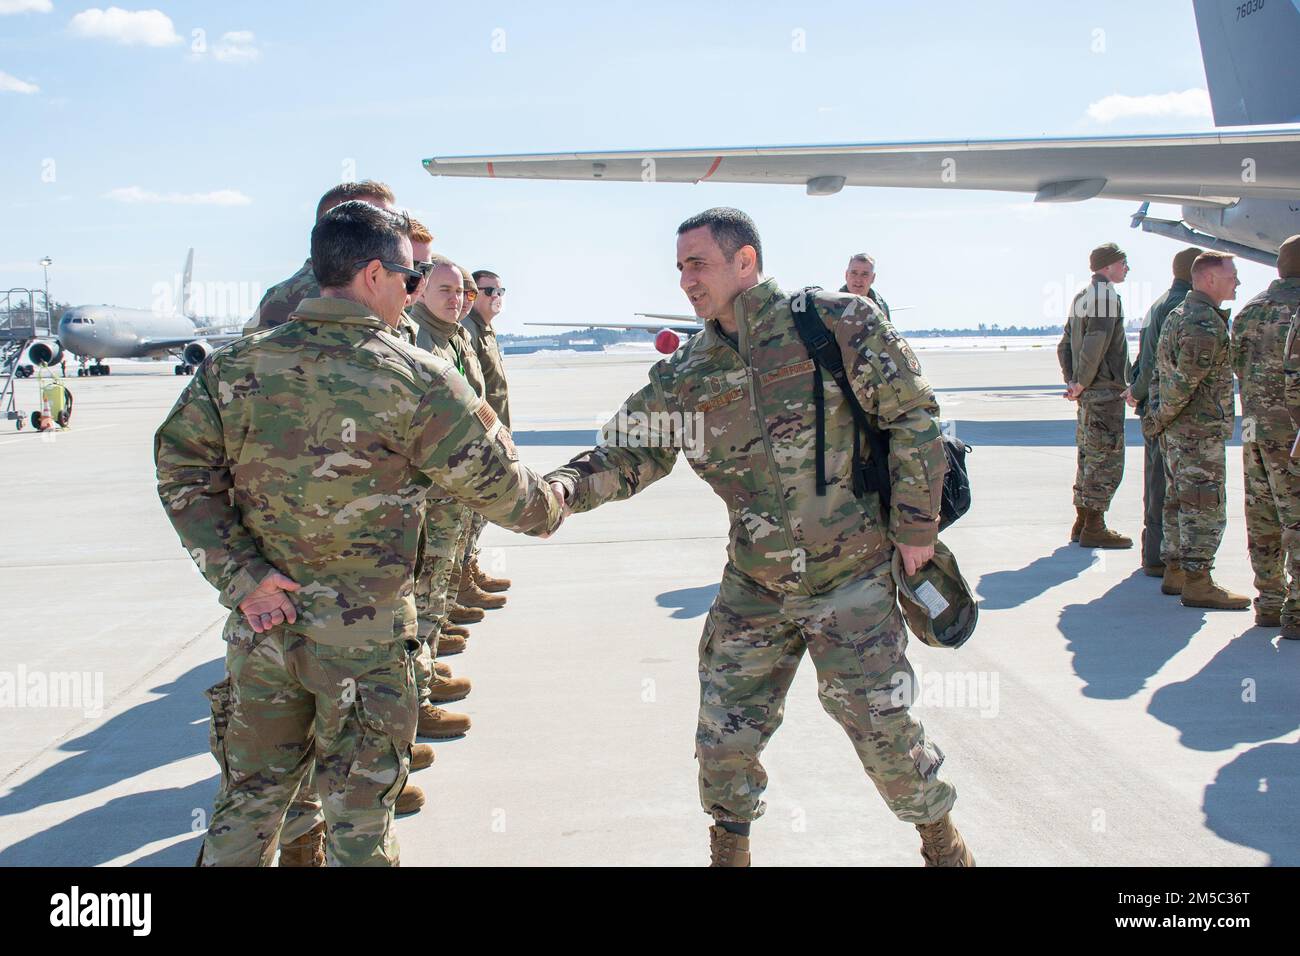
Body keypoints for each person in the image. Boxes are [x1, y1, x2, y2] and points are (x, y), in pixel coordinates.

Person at [546, 207, 972, 867]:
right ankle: (729, 852)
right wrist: (556, 494)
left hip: (851, 576)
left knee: (885, 735)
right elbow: (628, 451)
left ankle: (943, 847)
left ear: (744, 261)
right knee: (723, 736)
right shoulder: (688, 373)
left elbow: (914, 414)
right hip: (756, 584)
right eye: (680, 267)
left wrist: (916, 530)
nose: (686, 280)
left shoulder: (835, 323)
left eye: (699, 264)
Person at [155, 201, 562, 866]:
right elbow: (518, 502)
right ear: (374, 274)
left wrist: (242, 576)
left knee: (247, 809)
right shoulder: (415, 377)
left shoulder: (234, 369)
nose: (413, 291)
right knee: (360, 829)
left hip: (264, 634)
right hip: (365, 649)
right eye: (411, 277)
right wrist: (567, 491)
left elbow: (180, 476)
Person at [1143, 251, 1249, 610]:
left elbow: (1159, 375)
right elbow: (1182, 383)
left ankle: (1176, 572)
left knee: (1177, 500)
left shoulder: (1179, 314)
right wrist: (1161, 417)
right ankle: (1199, 581)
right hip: (1196, 434)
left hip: (1179, 432)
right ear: (1208, 279)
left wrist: (1159, 418)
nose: (1237, 282)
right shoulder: (1203, 322)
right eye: (1231, 276)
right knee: (1203, 505)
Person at [243, 179, 421, 346]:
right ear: (339, 220)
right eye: (373, 216)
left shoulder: (276, 294)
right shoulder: (332, 291)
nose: (390, 227)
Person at [1231, 234, 1300, 637]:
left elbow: (1236, 366)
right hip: (1291, 433)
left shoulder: (1251, 309)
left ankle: (1270, 602)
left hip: (1255, 428)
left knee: (1262, 516)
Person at [1127, 247, 1201, 576]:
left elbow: (1143, 360)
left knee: (1156, 482)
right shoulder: (1180, 306)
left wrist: (1137, 391)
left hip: (1152, 406)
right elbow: (1155, 362)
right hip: (1165, 409)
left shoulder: (1159, 302)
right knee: (1165, 484)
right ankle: (1159, 555)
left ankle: (1155, 552)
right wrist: (1140, 391)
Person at [1059, 243, 1133, 549]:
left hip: (1090, 392)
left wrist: (1074, 381)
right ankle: (1094, 526)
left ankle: (1082, 522)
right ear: (1108, 266)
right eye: (1123, 263)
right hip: (1103, 392)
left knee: (1088, 456)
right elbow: (1096, 341)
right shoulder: (1105, 297)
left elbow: (1064, 344)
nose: (1127, 269)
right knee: (1106, 459)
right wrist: (1082, 382)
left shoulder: (1084, 296)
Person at [456, 269, 514, 612]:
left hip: (494, 437)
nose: (495, 295)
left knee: (479, 516)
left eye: (499, 289)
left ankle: (468, 572)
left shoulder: (485, 331)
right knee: (470, 514)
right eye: (486, 289)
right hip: (479, 442)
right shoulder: (469, 330)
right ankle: (460, 583)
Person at [839, 253, 890, 319]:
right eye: (854, 273)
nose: (858, 279)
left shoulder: (881, 306)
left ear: (872, 278)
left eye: (864, 274)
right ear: (846, 275)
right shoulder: (832, 304)